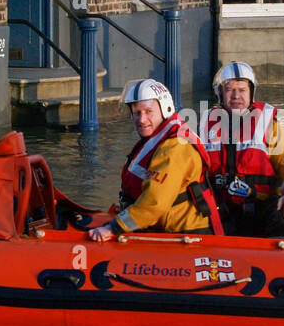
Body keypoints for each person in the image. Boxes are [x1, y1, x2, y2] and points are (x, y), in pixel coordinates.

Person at [87, 79, 222, 241]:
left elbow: (154, 203)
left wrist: (114, 228)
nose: (141, 119)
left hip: (187, 235)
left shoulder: (175, 147)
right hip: (167, 229)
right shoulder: (160, 140)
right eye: (137, 113)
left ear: (165, 109)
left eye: (148, 111)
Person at [199, 61, 284, 237]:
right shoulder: (203, 126)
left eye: (242, 90)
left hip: (262, 206)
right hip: (220, 210)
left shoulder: (269, 126)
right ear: (219, 93)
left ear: (251, 93)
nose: (236, 96)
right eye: (229, 90)